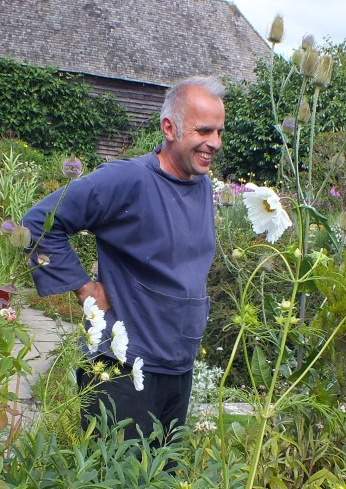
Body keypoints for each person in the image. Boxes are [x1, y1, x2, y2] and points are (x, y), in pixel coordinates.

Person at [21, 76, 225, 442]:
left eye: (219, 132)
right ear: (169, 128)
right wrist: (84, 288)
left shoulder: (202, 183)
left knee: (159, 488)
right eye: (204, 130)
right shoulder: (127, 180)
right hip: (121, 370)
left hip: (177, 367)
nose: (214, 142)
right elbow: (38, 224)